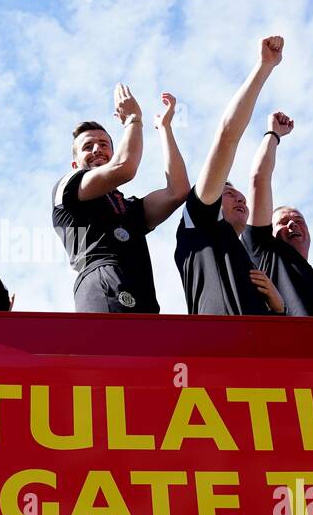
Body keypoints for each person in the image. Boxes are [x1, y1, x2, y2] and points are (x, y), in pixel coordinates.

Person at [175, 38, 290, 316]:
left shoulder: (247, 262)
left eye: (238, 193)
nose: (239, 196)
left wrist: (278, 307)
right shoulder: (200, 225)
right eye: (228, 192)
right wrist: (264, 67)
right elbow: (227, 136)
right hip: (217, 352)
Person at [53, 83, 189, 312]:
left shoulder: (127, 207)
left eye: (104, 144)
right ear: (75, 164)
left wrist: (164, 128)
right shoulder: (68, 187)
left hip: (144, 294)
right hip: (103, 280)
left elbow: (177, 191)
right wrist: (133, 120)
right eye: (87, 146)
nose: (97, 149)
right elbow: (125, 167)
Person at [244, 59, 313, 316]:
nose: (292, 225)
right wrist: (273, 135)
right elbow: (259, 179)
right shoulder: (264, 250)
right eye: (283, 222)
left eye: (297, 219)